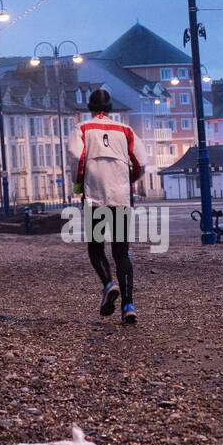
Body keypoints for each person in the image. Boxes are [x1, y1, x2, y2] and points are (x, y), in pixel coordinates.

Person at [68, 88, 149, 324]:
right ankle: (128, 305)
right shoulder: (126, 130)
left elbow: (77, 157)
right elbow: (140, 161)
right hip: (121, 196)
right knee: (121, 251)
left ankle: (108, 284)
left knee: (95, 247)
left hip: (94, 196)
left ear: (90, 108)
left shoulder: (82, 128)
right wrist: (129, 181)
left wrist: (78, 183)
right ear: (111, 108)